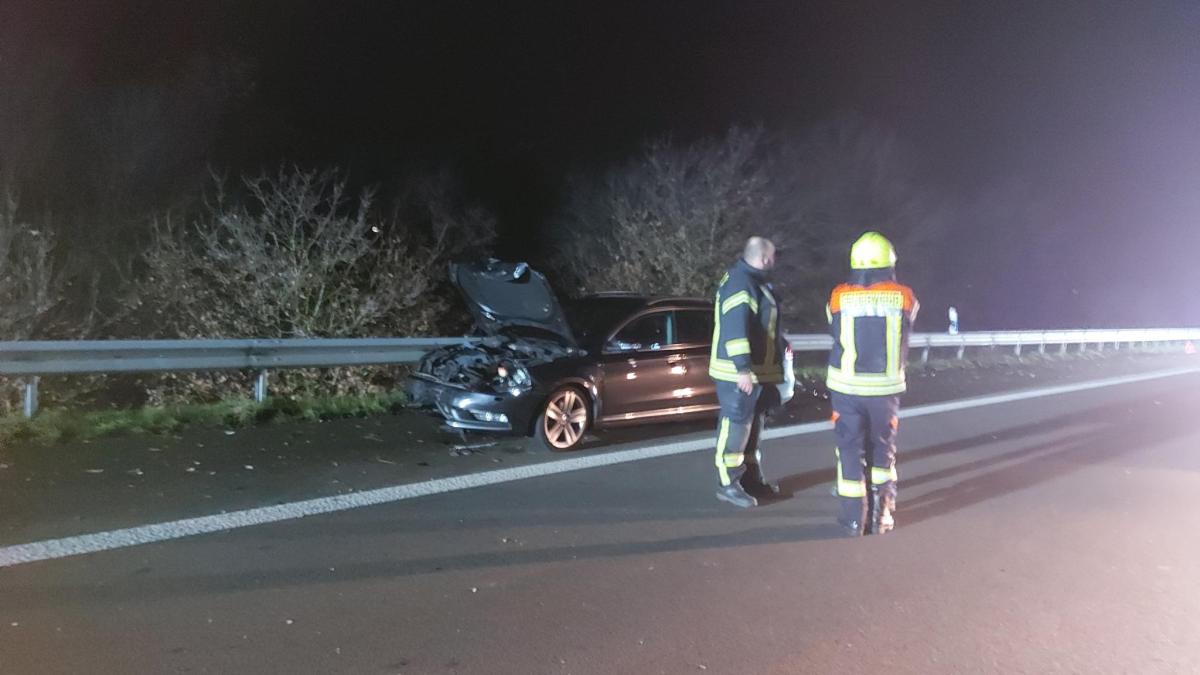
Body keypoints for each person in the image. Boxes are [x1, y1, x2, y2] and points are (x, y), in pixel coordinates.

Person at [826, 231, 918, 535]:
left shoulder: (839, 295)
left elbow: (833, 324)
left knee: (850, 452)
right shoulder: (904, 296)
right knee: (882, 452)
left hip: (846, 389)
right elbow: (911, 318)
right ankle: (883, 513)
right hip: (884, 391)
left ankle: (854, 519)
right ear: (890, 263)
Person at [709, 236, 790, 508]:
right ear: (765, 258)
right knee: (736, 426)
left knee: (752, 429)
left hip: (755, 373)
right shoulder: (740, 283)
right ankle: (727, 483)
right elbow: (736, 328)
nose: (774, 263)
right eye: (773, 258)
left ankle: (750, 480)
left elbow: (762, 327)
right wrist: (742, 368)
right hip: (739, 374)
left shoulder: (753, 283)